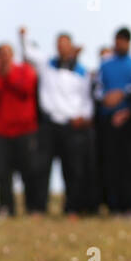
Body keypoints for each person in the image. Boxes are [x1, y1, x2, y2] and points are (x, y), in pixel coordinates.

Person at [23, 28, 95, 216]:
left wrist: (84, 116)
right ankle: (39, 208)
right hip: (49, 125)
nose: (62, 48)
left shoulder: (82, 72)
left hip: (71, 125)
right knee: (42, 167)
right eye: (59, 44)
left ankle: (72, 208)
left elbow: (86, 99)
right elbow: (29, 52)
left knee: (72, 168)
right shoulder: (47, 65)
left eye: (65, 45)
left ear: (71, 47)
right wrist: (24, 35)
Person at [0, 43, 39, 215]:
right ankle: (7, 207)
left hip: (24, 129)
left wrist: (9, 75)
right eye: (1, 54)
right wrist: (0, 75)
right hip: (0, 131)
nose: (5, 57)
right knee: (3, 173)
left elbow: (26, 89)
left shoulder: (25, 70)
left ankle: (32, 207)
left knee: (28, 171)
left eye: (7, 53)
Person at [95, 26, 131, 213]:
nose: (118, 44)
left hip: (130, 121)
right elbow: (97, 89)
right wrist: (105, 99)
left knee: (130, 163)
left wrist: (124, 99)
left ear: (128, 42)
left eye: (122, 41)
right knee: (111, 163)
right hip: (108, 120)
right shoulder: (105, 65)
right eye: (116, 40)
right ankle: (114, 206)